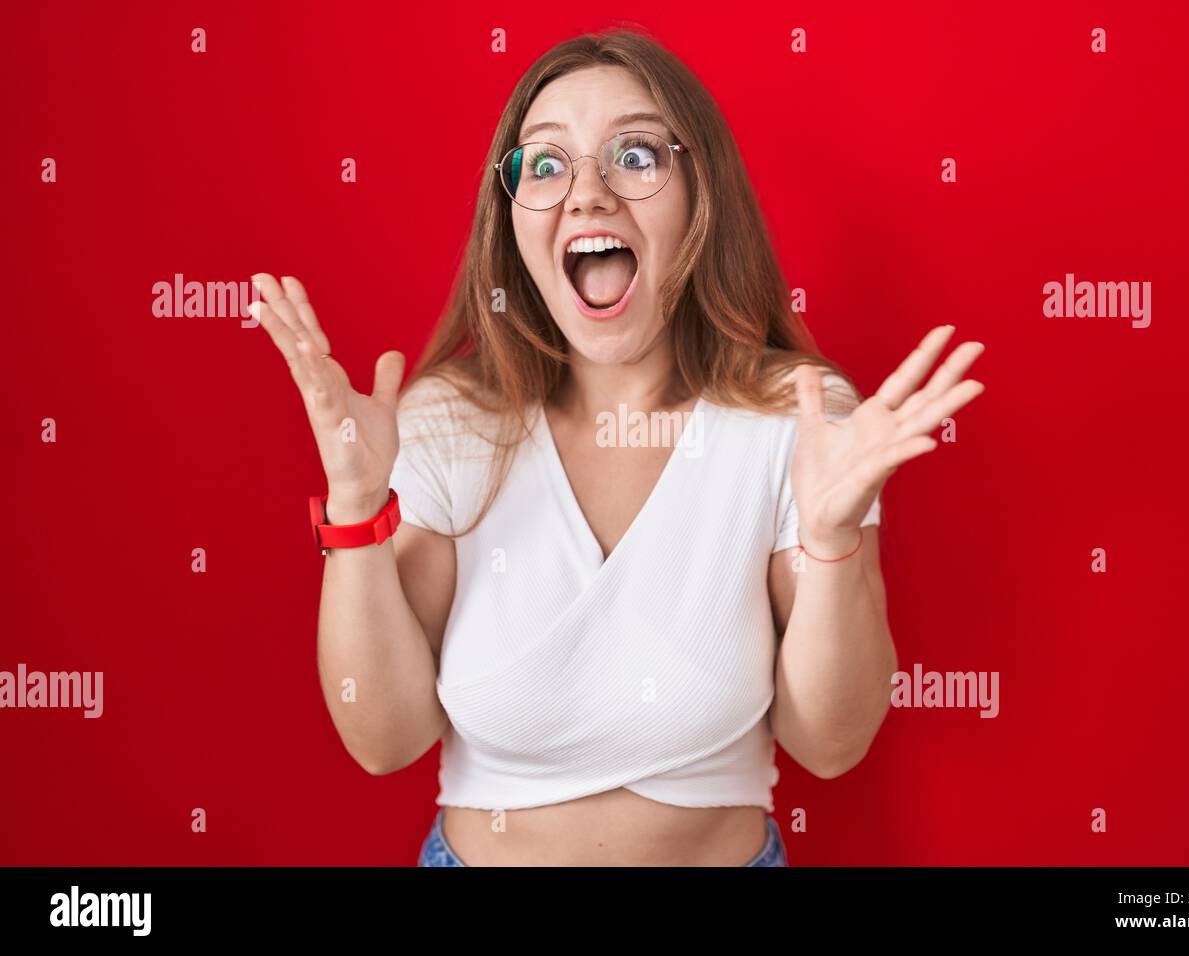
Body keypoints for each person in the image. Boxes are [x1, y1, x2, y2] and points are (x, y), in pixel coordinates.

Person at [250, 27, 985, 867]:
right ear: (512, 215)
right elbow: (384, 739)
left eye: (635, 156)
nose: (589, 194)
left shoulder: (799, 415)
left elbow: (830, 742)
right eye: (549, 163)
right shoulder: (449, 420)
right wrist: (354, 512)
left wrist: (831, 543)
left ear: (701, 199)